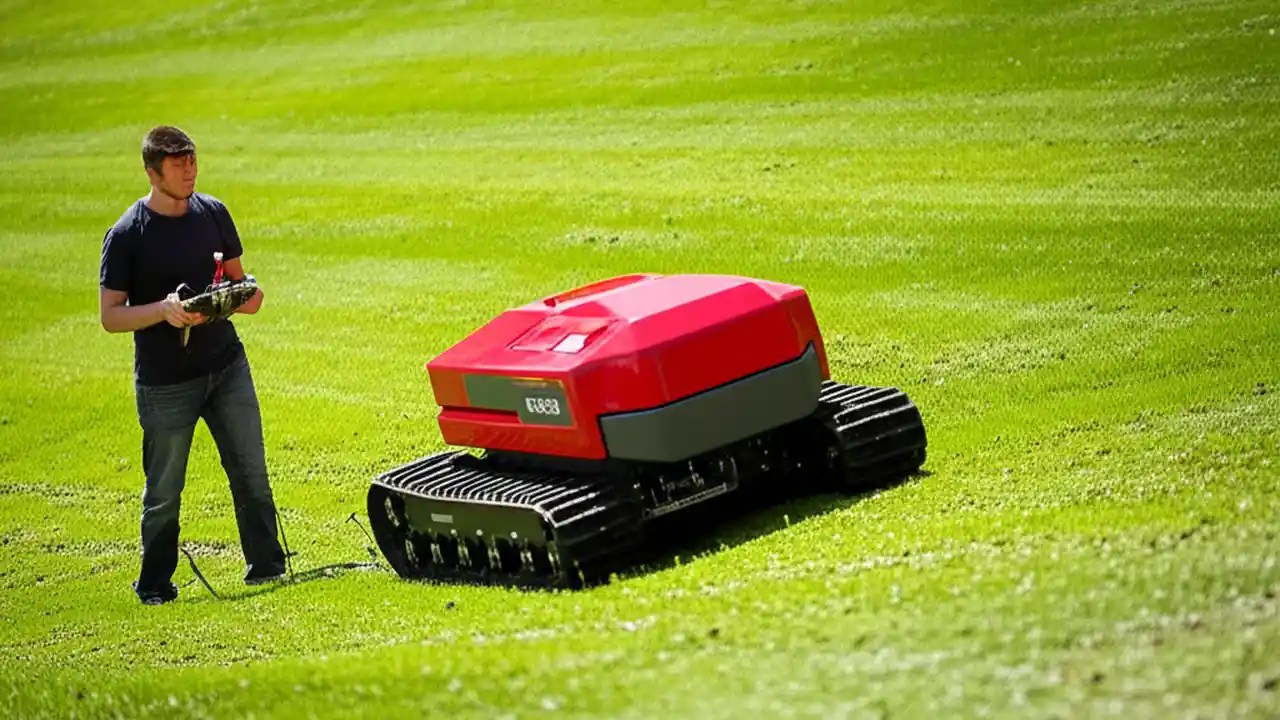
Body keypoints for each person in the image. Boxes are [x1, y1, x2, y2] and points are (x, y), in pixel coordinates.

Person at [99, 125, 287, 605]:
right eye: (179, 164)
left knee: (250, 470)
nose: (190, 171)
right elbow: (111, 316)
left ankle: (267, 569)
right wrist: (162, 311)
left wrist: (241, 296)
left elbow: (244, 286)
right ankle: (155, 586)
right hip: (166, 383)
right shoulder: (126, 235)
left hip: (226, 365)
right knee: (164, 492)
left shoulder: (214, 214)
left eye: (193, 160)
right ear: (152, 171)